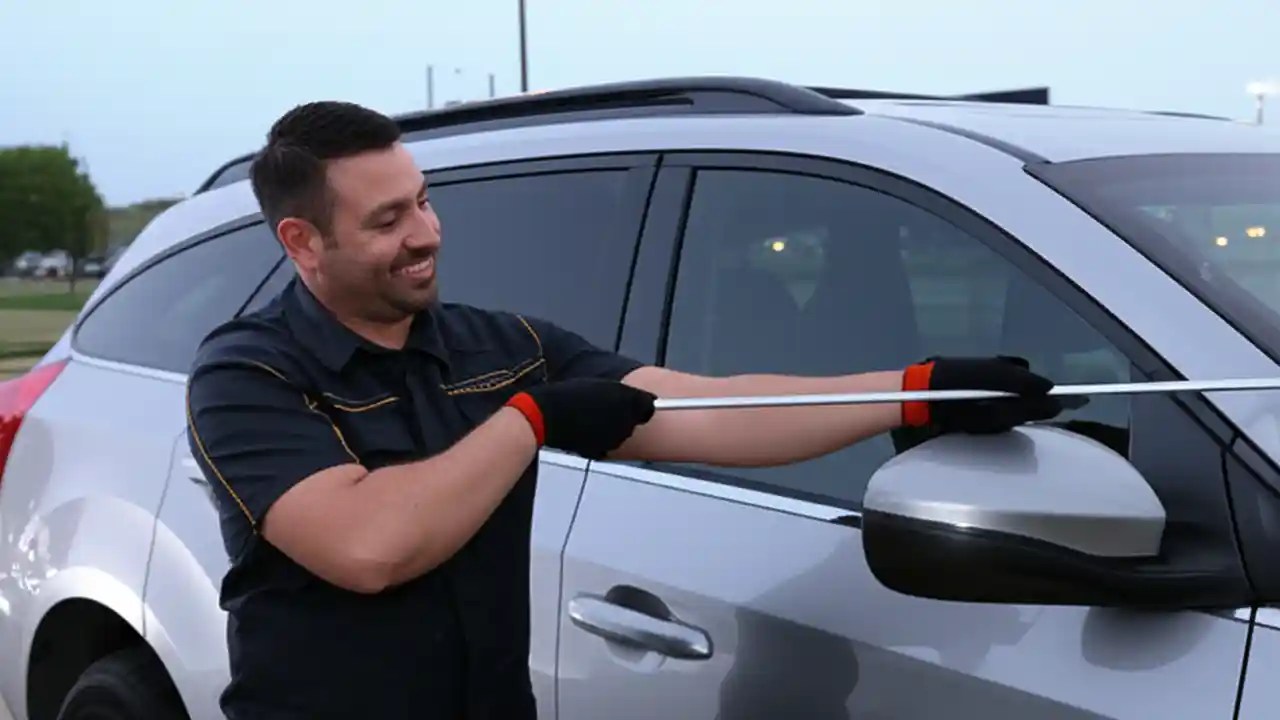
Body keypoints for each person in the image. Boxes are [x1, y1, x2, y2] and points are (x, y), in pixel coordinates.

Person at [185, 100, 1065, 720]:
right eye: (387, 221)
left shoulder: (501, 345)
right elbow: (369, 546)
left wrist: (912, 393)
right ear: (302, 241)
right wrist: (530, 421)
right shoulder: (247, 374)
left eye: (422, 200)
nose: (425, 233)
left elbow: (707, 410)